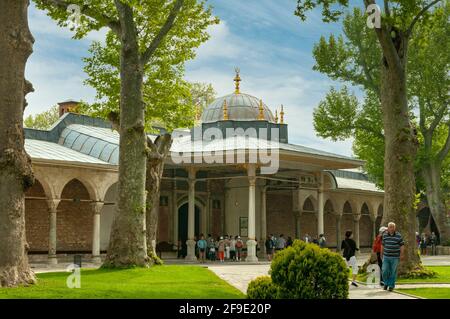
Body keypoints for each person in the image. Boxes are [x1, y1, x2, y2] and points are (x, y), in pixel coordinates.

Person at [381, 222, 405, 292]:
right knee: (384, 270)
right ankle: (386, 283)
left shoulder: (398, 235)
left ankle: (391, 286)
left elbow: (402, 245)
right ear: (388, 228)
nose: (391, 228)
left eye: (393, 227)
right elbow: (382, 245)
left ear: (395, 228)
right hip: (386, 256)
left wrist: (402, 254)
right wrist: (381, 254)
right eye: (390, 227)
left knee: (393, 272)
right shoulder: (385, 235)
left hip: (395, 257)